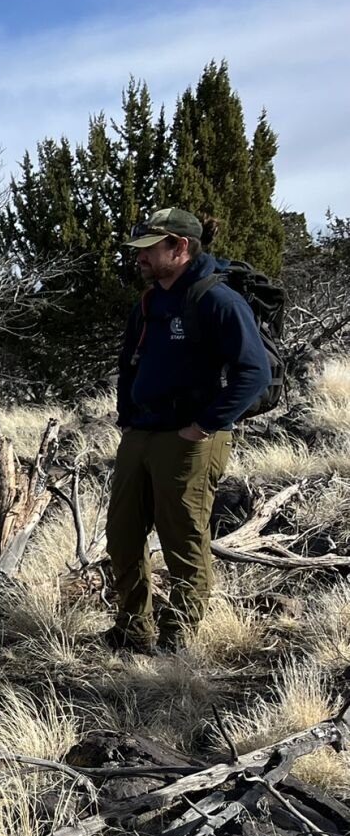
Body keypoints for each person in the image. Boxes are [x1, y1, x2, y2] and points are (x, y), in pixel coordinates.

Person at [107, 208, 270, 654]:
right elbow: (128, 364)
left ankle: (179, 639)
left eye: (148, 250)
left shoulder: (217, 301)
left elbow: (253, 372)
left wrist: (204, 426)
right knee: (121, 535)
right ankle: (132, 629)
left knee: (182, 538)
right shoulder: (148, 302)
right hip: (141, 431)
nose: (139, 258)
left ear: (179, 248)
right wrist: (127, 414)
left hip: (191, 437)